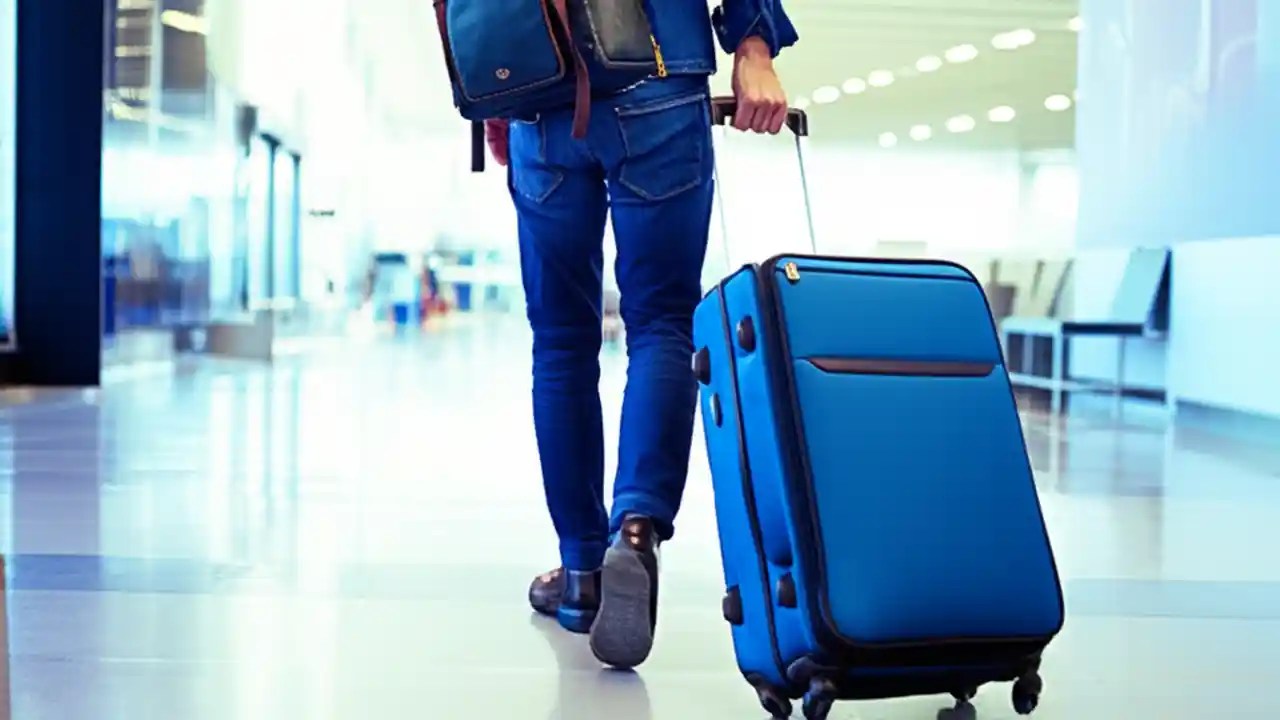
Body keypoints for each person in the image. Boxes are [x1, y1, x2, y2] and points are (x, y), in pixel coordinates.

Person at [485, 0, 796, 670]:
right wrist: (754, 44)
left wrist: (491, 89)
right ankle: (635, 526)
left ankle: (580, 576)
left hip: (538, 89)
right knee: (661, 326)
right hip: (656, 75)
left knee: (561, 344)